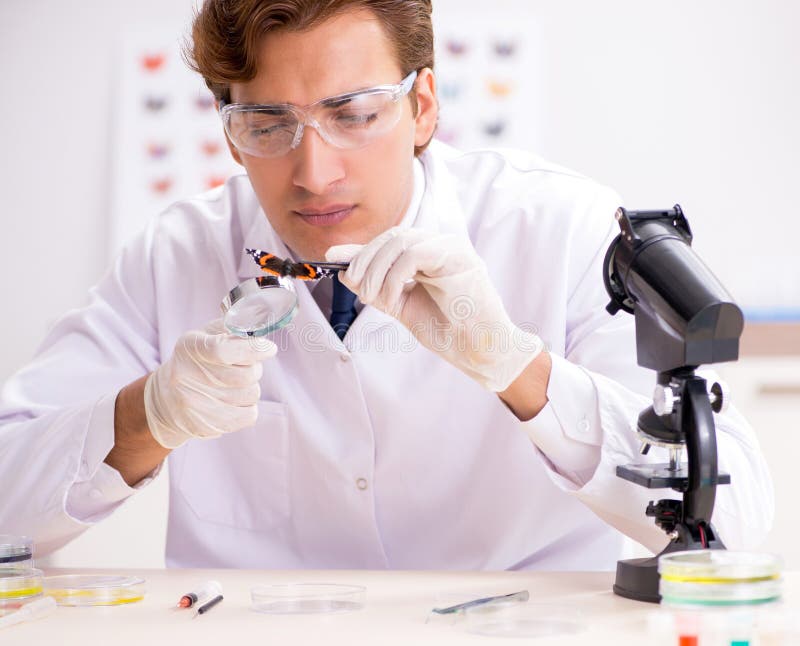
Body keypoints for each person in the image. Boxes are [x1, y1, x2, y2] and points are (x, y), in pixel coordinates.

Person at [0, 0, 772, 569]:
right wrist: (145, 416)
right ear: (231, 136)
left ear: (423, 107)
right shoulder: (174, 255)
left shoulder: (560, 230)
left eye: (355, 114)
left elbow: (734, 522)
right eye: (267, 124)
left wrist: (521, 372)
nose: (313, 172)